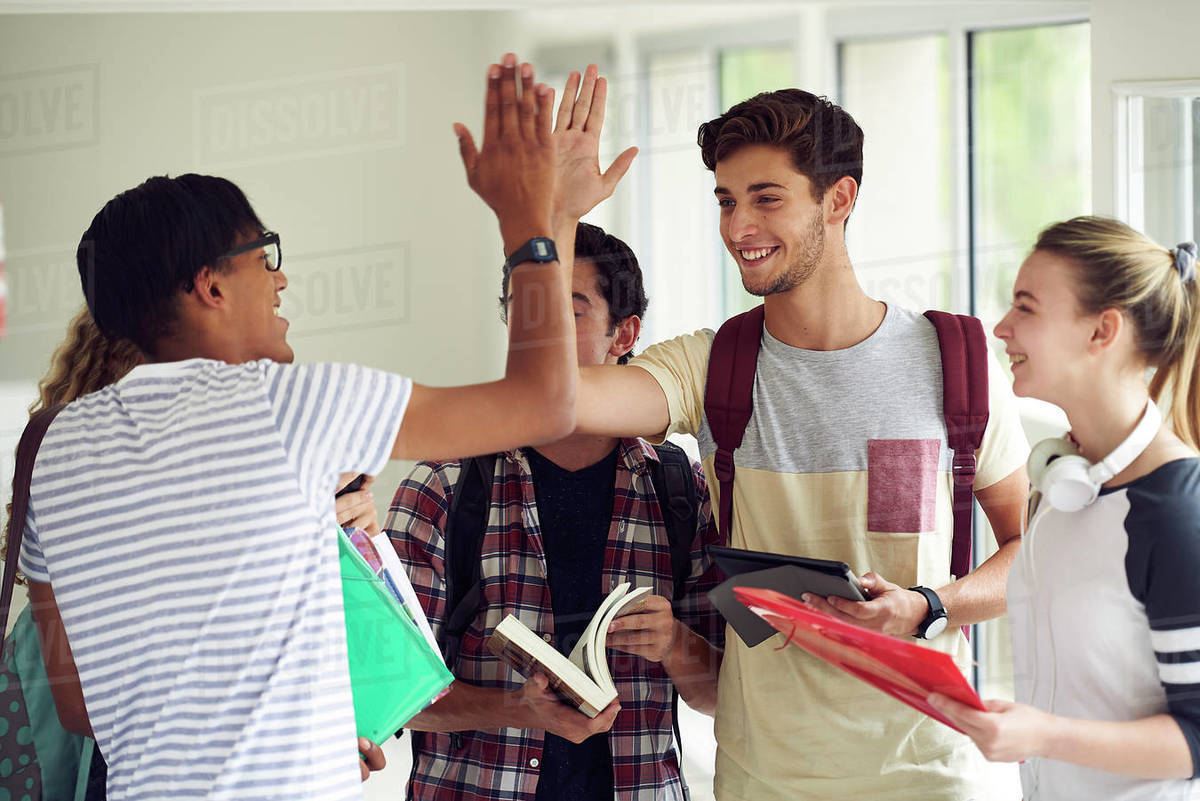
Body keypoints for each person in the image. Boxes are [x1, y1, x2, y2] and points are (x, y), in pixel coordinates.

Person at [16, 54, 596, 800]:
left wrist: (302, 720)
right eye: (267, 256)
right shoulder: (286, 404)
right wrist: (531, 222)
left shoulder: (53, 450)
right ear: (210, 284)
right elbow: (547, 403)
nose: (282, 277)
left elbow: (77, 703)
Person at [562, 88, 1032, 800]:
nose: (739, 226)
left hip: (929, 774)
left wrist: (927, 603)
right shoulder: (710, 365)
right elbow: (559, 400)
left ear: (838, 198)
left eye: (766, 198)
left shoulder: (957, 361)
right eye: (725, 201)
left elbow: (1028, 555)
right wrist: (553, 222)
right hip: (765, 777)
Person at [386, 212, 723, 801]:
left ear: (624, 335)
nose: (536, 336)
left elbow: (722, 693)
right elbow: (388, 689)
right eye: (522, 312)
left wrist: (673, 644)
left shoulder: (678, 488)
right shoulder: (443, 485)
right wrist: (518, 709)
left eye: (567, 312)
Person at [930, 218, 1200, 800]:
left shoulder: (1174, 512)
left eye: (1026, 307)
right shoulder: (1061, 480)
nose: (1001, 328)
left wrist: (1045, 735)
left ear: (1102, 331)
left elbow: (1197, 737)